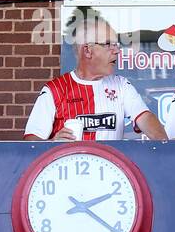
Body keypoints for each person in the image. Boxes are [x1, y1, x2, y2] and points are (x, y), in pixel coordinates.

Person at [24, 18, 167, 141]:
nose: (116, 50)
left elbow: (146, 119)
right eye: (108, 44)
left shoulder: (121, 85)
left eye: (116, 45)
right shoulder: (54, 90)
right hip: (67, 171)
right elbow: (32, 141)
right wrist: (54, 142)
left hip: (112, 170)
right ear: (87, 51)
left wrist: (166, 145)